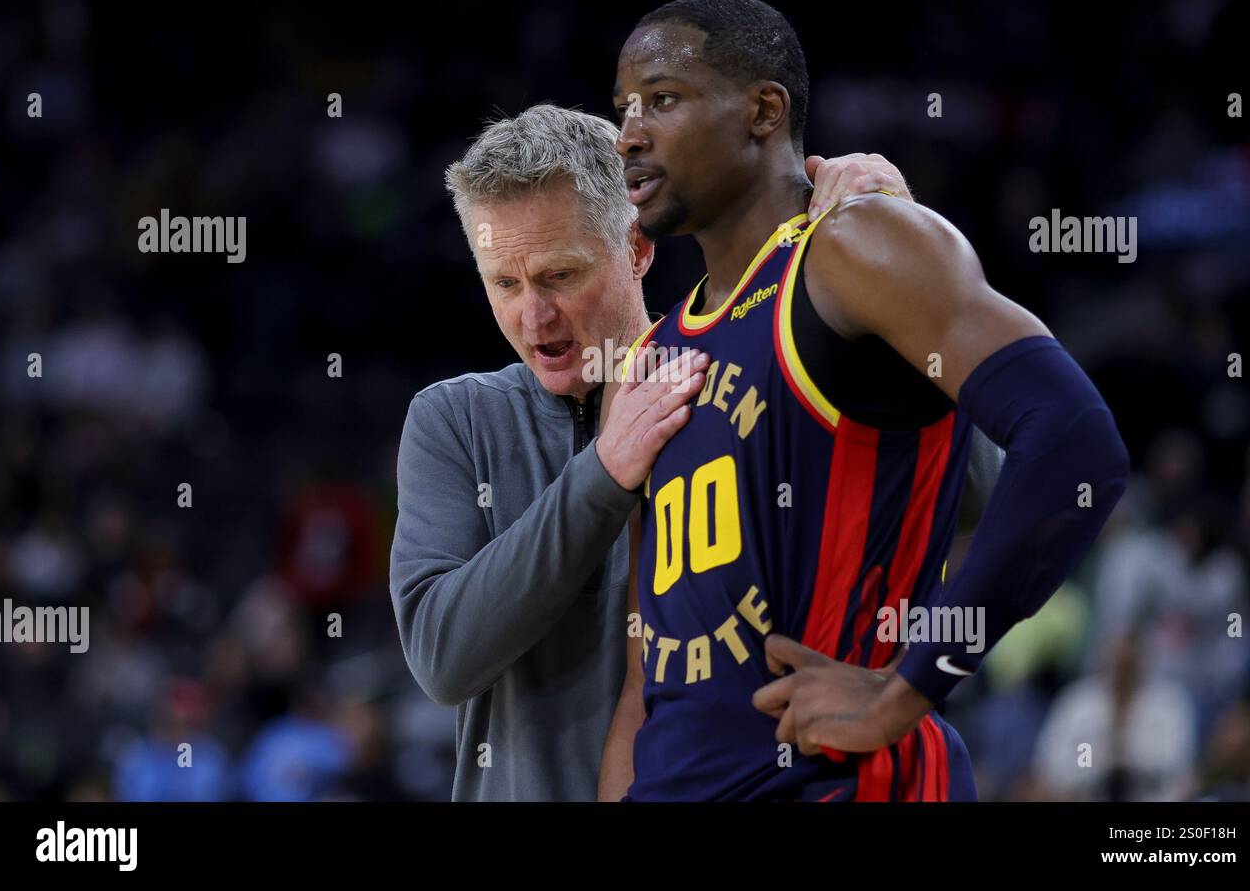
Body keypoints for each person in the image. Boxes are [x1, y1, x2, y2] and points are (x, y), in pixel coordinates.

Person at [599, 0, 1128, 801]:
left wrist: (907, 687)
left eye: (662, 100)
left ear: (763, 111)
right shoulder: (648, 355)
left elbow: (1072, 439)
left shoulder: (855, 248)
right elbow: (649, 674)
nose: (630, 132)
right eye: (623, 109)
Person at [389, 103, 933, 800]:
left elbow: (964, 488)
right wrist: (605, 473)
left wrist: (900, 263)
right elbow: (443, 658)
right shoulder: (455, 420)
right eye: (505, 283)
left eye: (560, 276)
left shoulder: (738, 376)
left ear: (639, 247)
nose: (534, 316)